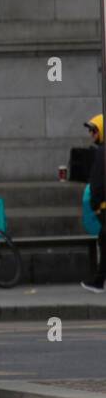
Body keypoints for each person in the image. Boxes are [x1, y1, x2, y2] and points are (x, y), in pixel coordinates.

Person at [83, 114, 105, 293]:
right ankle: (99, 280)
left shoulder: (102, 152)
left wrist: (95, 206)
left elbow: (97, 183)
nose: (91, 134)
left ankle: (99, 281)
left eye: (94, 130)